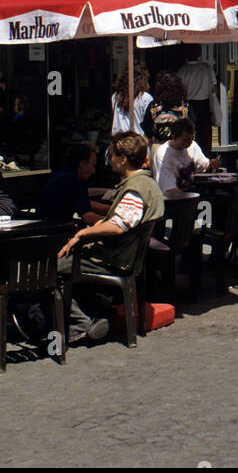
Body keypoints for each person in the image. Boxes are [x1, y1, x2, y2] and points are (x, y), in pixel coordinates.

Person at [57, 132, 164, 344]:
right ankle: (99, 314)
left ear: (123, 159)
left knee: (54, 268)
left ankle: (80, 323)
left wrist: (82, 233)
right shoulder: (146, 183)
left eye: (112, 155)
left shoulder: (136, 188)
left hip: (115, 259)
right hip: (122, 256)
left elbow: (118, 226)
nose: (109, 160)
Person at [38, 142, 99, 225]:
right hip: (54, 229)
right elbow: (89, 217)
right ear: (82, 163)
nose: (93, 171)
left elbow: (84, 203)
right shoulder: (74, 181)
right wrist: (114, 223)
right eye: (92, 166)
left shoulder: (62, 175)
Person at [152, 118, 218, 192]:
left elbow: (203, 168)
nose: (189, 143)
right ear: (174, 137)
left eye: (191, 138)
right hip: (175, 199)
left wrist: (211, 166)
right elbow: (169, 189)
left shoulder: (192, 146)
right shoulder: (163, 155)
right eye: (185, 140)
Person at [177, 45, 218, 151]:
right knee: (205, 137)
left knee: (190, 135)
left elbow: (179, 92)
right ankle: (206, 160)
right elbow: (214, 87)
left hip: (189, 105)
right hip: (204, 105)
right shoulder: (207, 68)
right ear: (199, 54)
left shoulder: (182, 71)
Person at [145, 70, 190, 145]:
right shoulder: (185, 106)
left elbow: (147, 128)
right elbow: (192, 125)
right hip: (180, 147)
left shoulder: (154, 106)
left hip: (159, 145)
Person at [110, 61, 153, 136]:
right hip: (137, 142)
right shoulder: (145, 98)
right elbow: (149, 124)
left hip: (118, 140)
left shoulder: (116, 96)